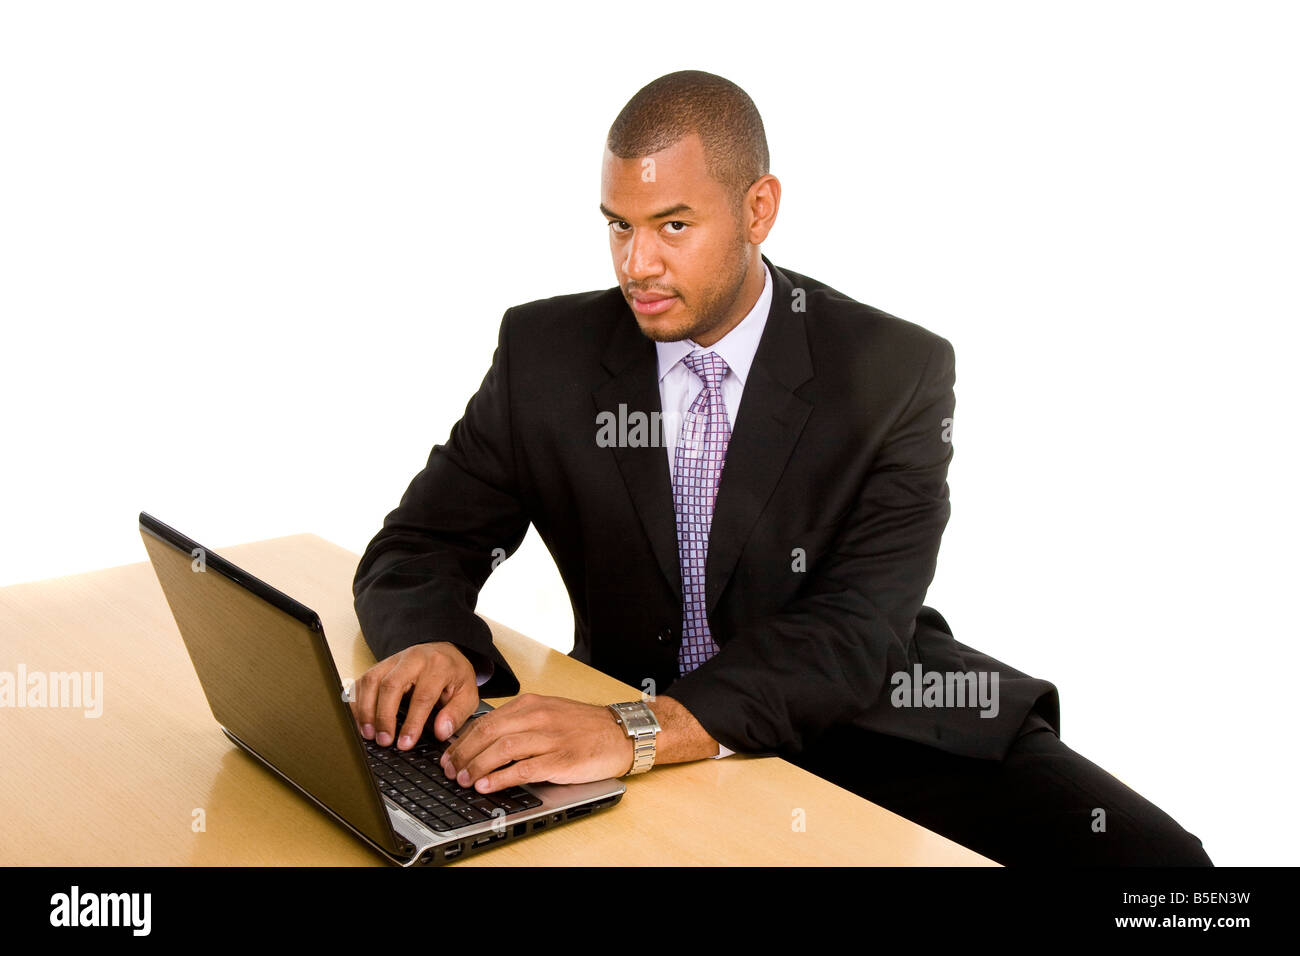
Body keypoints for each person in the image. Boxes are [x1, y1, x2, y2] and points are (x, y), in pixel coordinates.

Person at [349, 70, 1211, 866]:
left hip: (875, 719)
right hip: (634, 745)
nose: (635, 265)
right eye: (619, 225)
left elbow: (854, 632)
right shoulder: (548, 352)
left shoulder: (894, 371)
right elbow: (423, 541)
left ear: (759, 209)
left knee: (1169, 876)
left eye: (673, 226)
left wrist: (642, 729)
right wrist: (433, 642)